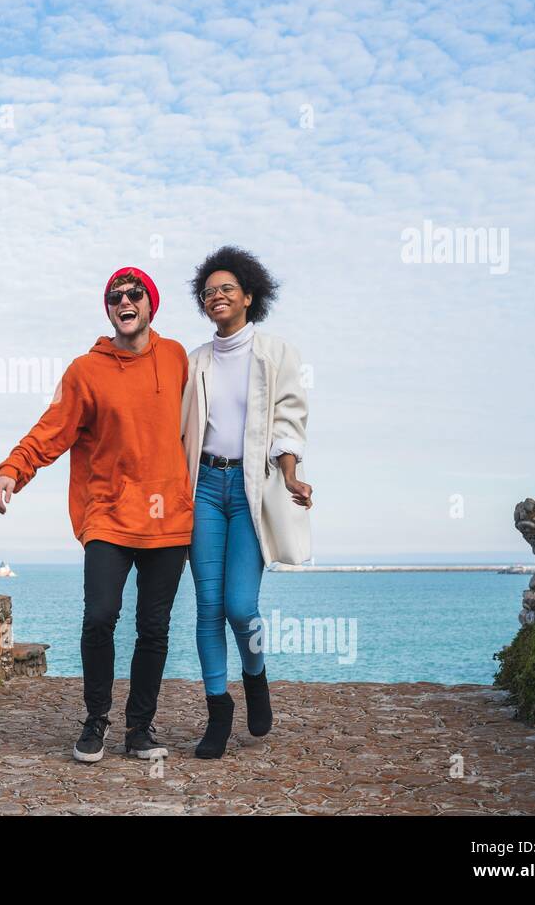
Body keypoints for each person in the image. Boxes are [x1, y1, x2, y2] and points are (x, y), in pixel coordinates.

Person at [0, 267, 192, 763]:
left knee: (154, 627)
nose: (124, 301)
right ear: (109, 310)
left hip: (169, 518)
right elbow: (51, 429)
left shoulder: (177, 357)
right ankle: (96, 718)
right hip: (106, 514)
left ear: (151, 304)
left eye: (134, 294)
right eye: (114, 297)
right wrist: (12, 470)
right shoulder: (86, 370)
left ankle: (140, 728)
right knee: (100, 617)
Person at [180, 246, 313, 759]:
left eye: (226, 289)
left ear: (249, 296)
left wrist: (291, 474)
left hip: (252, 488)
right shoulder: (194, 362)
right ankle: (218, 709)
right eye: (209, 291)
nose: (216, 296)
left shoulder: (278, 354)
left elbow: (289, 420)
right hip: (205, 489)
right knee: (208, 608)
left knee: (241, 606)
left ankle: (254, 677)